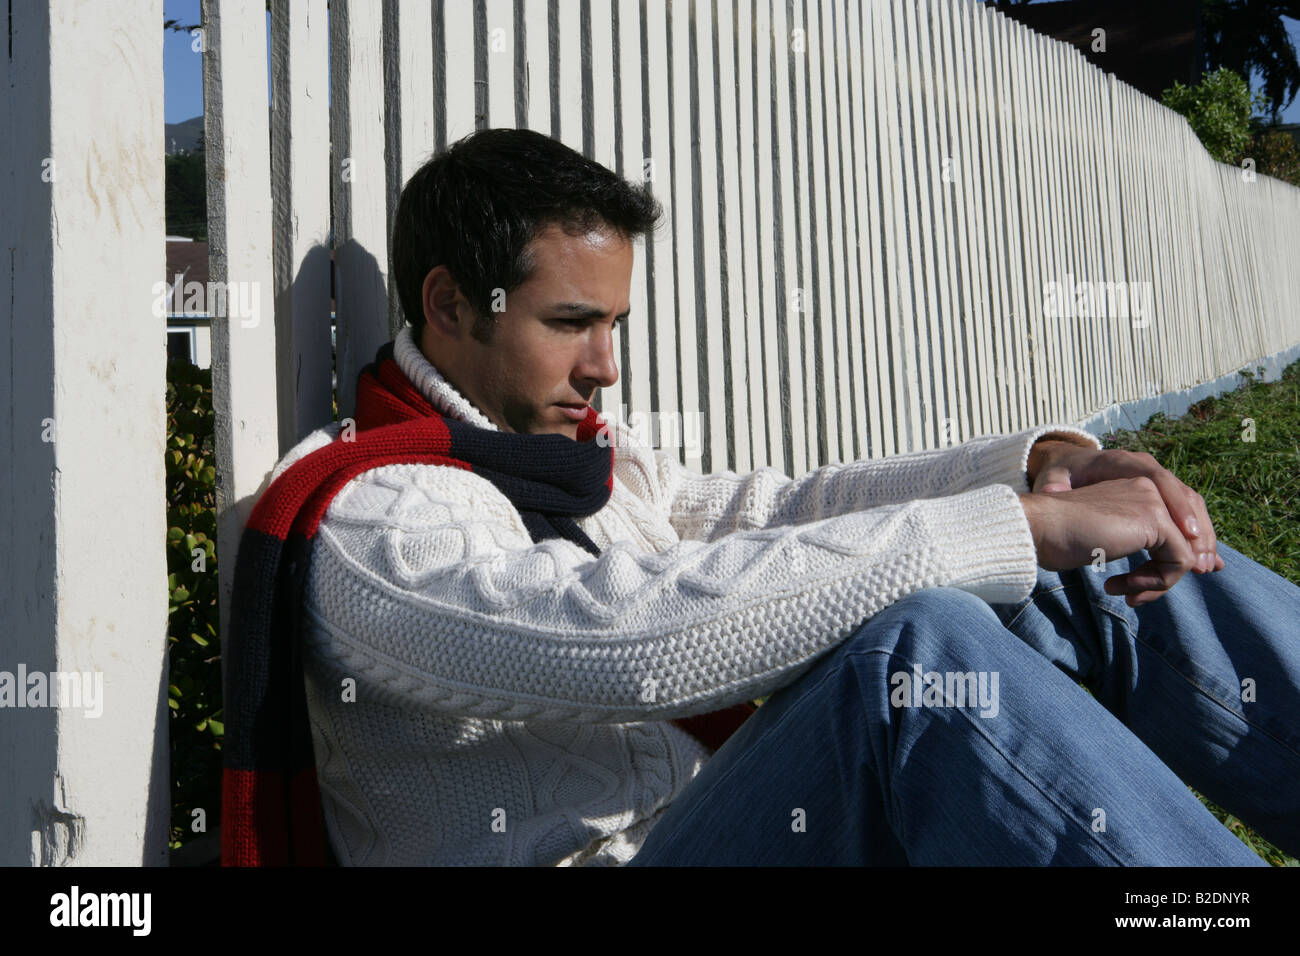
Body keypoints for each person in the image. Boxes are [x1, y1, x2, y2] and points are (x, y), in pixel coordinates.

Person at [226, 127, 1299, 866]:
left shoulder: (571, 458)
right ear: (450, 303)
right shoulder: (373, 517)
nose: (605, 367)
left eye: (614, 326)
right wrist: (1000, 527)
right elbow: (622, 635)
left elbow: (771, 511)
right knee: (912, 661)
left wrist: (1029, 473)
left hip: (719, 820)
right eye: (569, 324)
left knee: (1064, 582)